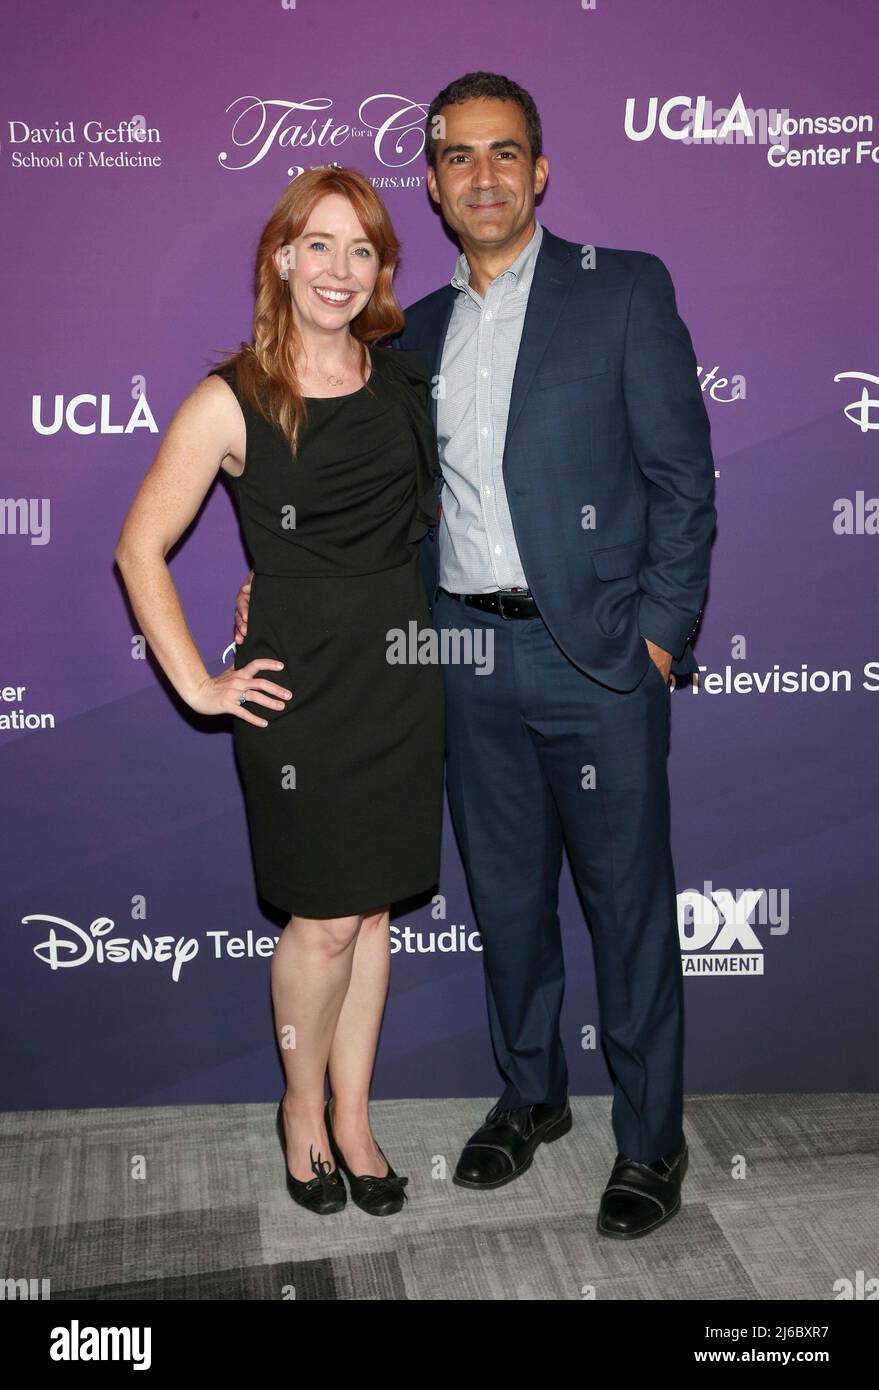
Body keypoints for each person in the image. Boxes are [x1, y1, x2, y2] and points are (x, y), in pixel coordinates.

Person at [235, 70, 717, 1239]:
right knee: (507, 904)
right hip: (458, 660)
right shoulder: (414, 336)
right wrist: (283, 581)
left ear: (539, 171)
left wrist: (657, 640)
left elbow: (682, 484)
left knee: (628, 908)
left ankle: (651, 1141)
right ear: (437, 188)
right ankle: (533, 1094)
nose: (484, 175)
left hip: (599, 662)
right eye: (459, 157)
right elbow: (373, 497)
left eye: (506, 153)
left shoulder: (623, 292)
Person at [115, 167, 445, 1218]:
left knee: (376, 914)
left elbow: (428, 519)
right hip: (296, 691)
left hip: (399, 675)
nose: (339, 269)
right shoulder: (234, 396)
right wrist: (201, 685)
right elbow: (139, 549)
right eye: (319, 245)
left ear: (381, 269)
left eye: (361, 250)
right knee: (324, 923)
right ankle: (301, 1112)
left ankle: (355, 1116)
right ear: (281, 259)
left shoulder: (405, 384)